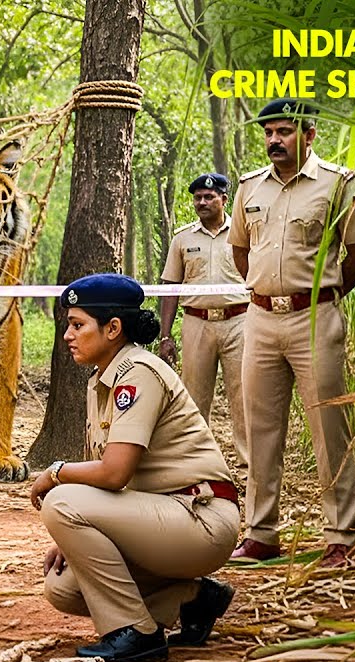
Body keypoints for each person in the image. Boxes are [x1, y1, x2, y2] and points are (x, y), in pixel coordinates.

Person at [30, 273, 240, 662]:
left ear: (113, 328)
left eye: (78, 325)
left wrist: (56, 472)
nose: (68, 336)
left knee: (58, 502)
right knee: (62, 587)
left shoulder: (138, 373)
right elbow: (108, 483)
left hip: (200, 518)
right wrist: (73, 538)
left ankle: (137, 632)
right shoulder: (102, 381)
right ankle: (193, 599)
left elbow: (113, 474)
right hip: (162, 516)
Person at [227, 99, 355, 569]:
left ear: (308, 135)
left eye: (284, 131)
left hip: (315, 319)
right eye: (269, 132)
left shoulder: (337, 184)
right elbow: (240, 251)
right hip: (261, 321)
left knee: (329, 428)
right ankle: (261, 532)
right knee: (260, 429)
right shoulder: (249, 188)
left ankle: (340, 536)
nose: (274, 140)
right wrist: (269, 294)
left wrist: (320, 295)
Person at [158, 172, 249, 482]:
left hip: (240, 322)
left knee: (244, 396)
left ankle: (249, 470)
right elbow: (170, 288)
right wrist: (166, 335)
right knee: (195, 398)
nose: (202, 202)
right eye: (198, 197)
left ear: (224, 199)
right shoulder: (183, 239)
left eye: (209, 197)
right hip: (196, 323)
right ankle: (199, 467)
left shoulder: (243, 233)